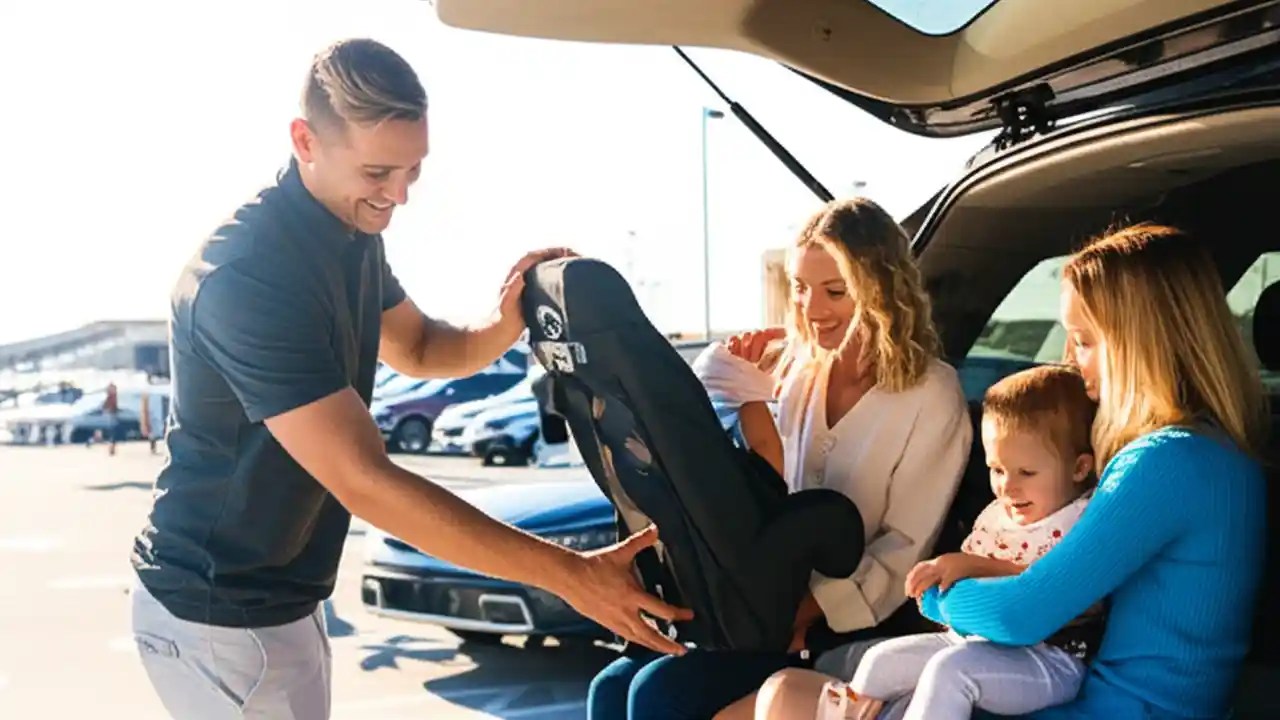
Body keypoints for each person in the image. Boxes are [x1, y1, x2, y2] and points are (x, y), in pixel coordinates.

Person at [129, 38, 688, 720]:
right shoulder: (248, 277)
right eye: (378, 172)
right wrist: (572, 577)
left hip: (288, 599)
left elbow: (420, 346)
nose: (398, 195)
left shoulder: (349, 230)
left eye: (412, 170)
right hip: (214, 613)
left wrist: (506, 319)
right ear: (305, 140)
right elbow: (365, 479)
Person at [753, 222, 1270, 719]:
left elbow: (1018, 614)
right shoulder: (1224, 455)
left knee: (787, 694)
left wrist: (933, 593)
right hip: (1152, 701)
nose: (1069, 358)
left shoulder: (1164, 462)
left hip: (1113, 708)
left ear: (1142, 342)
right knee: (818, 679)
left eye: (1085, 340)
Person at [589, 197, 972, 720]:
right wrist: (739, 375)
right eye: (799, 287)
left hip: (846, 624)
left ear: (882, 288)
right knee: (610, 689)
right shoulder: (793, 371)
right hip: (754, 601)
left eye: (835, 291)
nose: (812, 309)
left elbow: (903, 552)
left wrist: (801, 616)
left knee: (660, 695)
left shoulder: (932, 393)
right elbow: (745, 476)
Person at [834, 364, 1103, 720]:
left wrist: (970, 566)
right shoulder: (1000, 514)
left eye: (1026, 472)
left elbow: (1072, 596)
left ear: (1080, 468)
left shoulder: (1083, 520)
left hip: (1050, 660)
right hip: (977, 644)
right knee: (879, 661)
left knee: (951, 672)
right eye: (997, 469)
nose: (1008, 487)